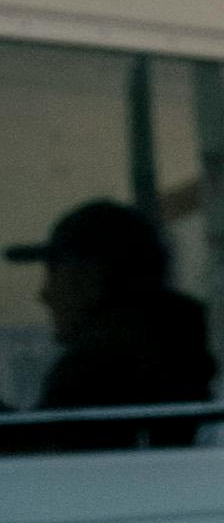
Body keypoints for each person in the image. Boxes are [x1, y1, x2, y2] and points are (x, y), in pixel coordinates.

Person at [24, 191, 212, 449]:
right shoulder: (193, 336)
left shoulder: (96, 365)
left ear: (89, 276)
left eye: (54, 272)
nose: (44, 293)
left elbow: (38, 454)